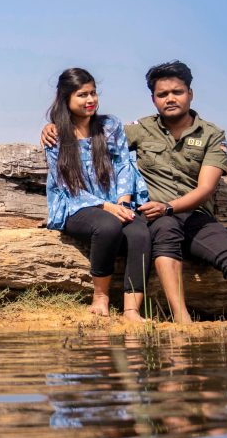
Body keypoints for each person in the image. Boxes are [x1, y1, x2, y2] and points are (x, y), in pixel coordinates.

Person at [42, 60, 227, 323]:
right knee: (158, 232)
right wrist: (51, 126)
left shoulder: (211, 134)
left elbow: (204, 187)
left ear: (190, 94)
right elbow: (91, 145)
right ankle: (182, 321)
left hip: (193, 214)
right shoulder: (141, 128)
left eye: (177, 92)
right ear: (153, 99)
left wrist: (138, 202)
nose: (170, 99)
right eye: (163, 94)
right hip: (155, 215)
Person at [44, 68, 151, 321]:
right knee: (108, 226)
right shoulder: (56, 134)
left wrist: (123, 200)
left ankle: (131, 310)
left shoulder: (109, 125)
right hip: (75, 205)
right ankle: (100, 297)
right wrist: (107, 207)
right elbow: (66, 184)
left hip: (116, 201)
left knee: (140, 232)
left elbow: (124, 163)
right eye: (82, 95)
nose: (90, 100)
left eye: (93, 93)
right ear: (65, 98)